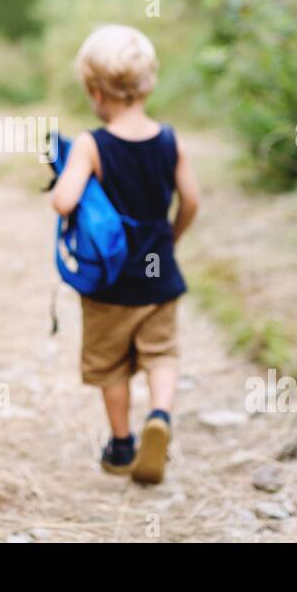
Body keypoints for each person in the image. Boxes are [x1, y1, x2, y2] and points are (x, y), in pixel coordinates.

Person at [49, 25, 200, 484]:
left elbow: (64, 201)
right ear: (148, 84)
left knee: (111, 364)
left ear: (96, 92)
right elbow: (191, 201)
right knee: (163, 353)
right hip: (160, 278)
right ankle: (159, 415)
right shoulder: (170, 140)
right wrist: (170, 239)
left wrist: (69, 174)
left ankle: (121, 444)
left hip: (110, 284)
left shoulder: (93, 144)